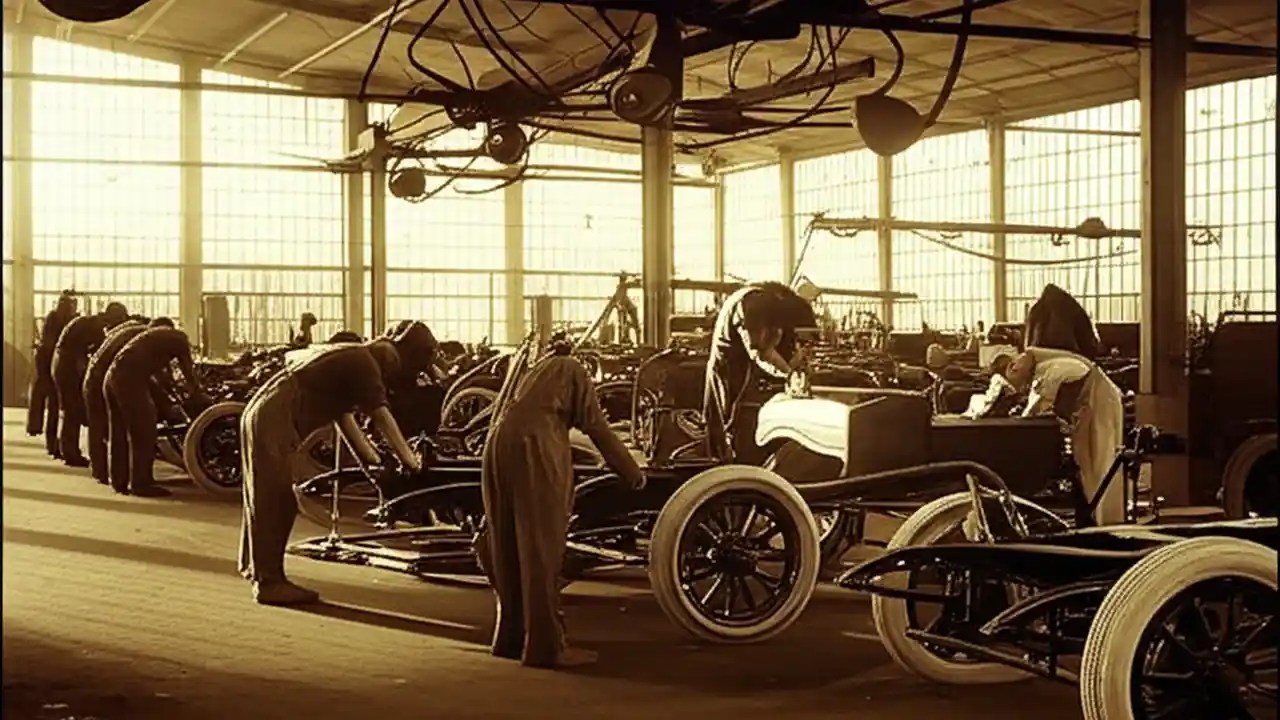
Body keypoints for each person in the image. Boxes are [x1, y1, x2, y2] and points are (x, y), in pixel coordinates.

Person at [238, 322, 438, 606]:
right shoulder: (364, 362)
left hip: (262, 411)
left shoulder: (349, 355)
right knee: (276, 501)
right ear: (395, 351)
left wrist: (373, 463)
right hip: (275, 416)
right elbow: (382, 417)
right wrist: (413, 463)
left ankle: (254, 568)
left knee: (260, 495)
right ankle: (269, 583)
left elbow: (345, 421)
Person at [477, 353, 646, 669]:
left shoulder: (532, 370)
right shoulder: (572, 370)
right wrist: (633, 474)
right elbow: (597, 428)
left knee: (507, 544)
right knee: (541, 547)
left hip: (497, 442)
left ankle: (509, 638)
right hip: (534, 446)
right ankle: (546, 648)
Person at [1005, 346, 1126, 524]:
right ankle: (1092, 516)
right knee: (1088, 465)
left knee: (1102, 462)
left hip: (1099, 405)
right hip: (1088, 408)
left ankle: (1106, 522)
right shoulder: (1045, 367)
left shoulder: (1050, 372)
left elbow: (1039, 407)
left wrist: (1020, 416)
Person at [703, 282, 816, 463]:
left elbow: (771, 346)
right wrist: (790, 374)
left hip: (740, 375)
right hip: (732, 379)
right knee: (734, 442)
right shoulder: (754, 304)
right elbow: (761, 351)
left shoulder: (767, 303)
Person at [103, 325, 204, 497]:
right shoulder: (180, 341)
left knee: (118, 431)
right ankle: (141, 484)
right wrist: (199, 394)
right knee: (144, 431)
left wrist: (173, 388)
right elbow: (188, 372)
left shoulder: (153, 339)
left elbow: (165, 374)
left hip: (111, 377)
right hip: (129, 379)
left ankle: (118, 481)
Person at [83, 317, 173, 484]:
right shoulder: (142, 337)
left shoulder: (133, 330)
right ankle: (135, 479)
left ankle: (112, 476)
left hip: (97, 376)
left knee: (110, 429)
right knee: (135, 429)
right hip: (105, 378)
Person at [49, 302, 130, 466]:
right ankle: (71, 454)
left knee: (67, 408)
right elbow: (91, 355)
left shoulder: (91, 322)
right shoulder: (94, 326)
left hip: (60, 361)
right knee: (72, 408)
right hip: (66, 364)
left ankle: (62, 447)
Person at [27, 290, 79, 449]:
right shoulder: (57, 319)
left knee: (48, 402)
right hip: (49, 362)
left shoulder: (56, 318)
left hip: (48, 361)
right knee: (53, 403)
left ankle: (49, 439)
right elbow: (52, 344)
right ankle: (51, 442)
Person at [1024, 284, 1100, 359]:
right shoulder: (1072, 309)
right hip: (1072, 357)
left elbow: (1029, 347)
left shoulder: (1037, 310)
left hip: (1040, 357)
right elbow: (1090, 347)